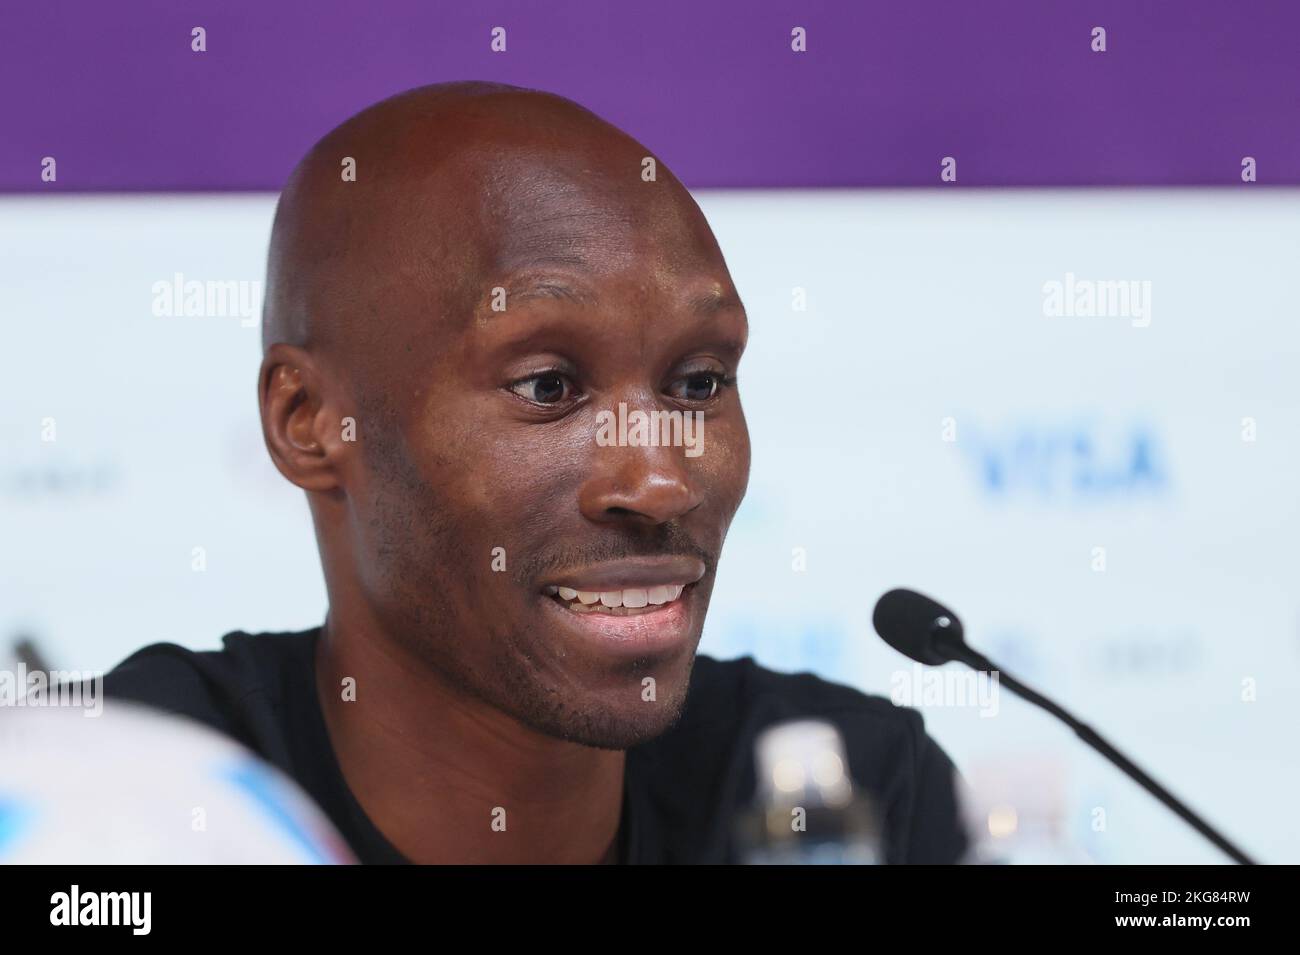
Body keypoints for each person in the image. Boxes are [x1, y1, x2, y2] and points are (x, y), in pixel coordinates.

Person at [102, 81, 970, 864]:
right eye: (549, 388)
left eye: (698, 383)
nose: (661, 479)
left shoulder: (856, 798)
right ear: (309, 424)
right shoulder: (116, 794)